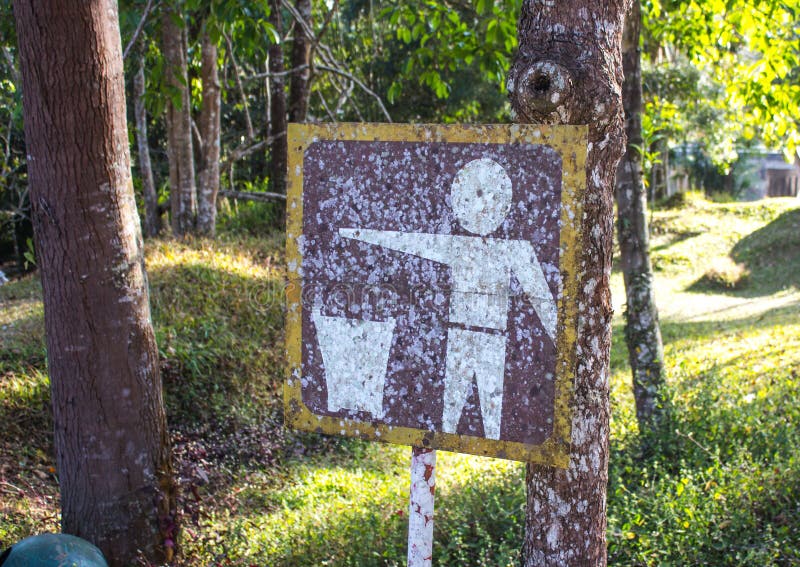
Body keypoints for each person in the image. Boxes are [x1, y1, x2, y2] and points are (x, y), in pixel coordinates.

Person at [340, 158, 557, 440]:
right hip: (459, 336)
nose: (481, 207)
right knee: (449, 420)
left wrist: (564, 344)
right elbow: (407, 241)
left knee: (493, 426)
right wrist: (353, 232)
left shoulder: (514, 250)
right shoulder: (460, 245)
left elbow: (541, 298)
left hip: (492, 338)